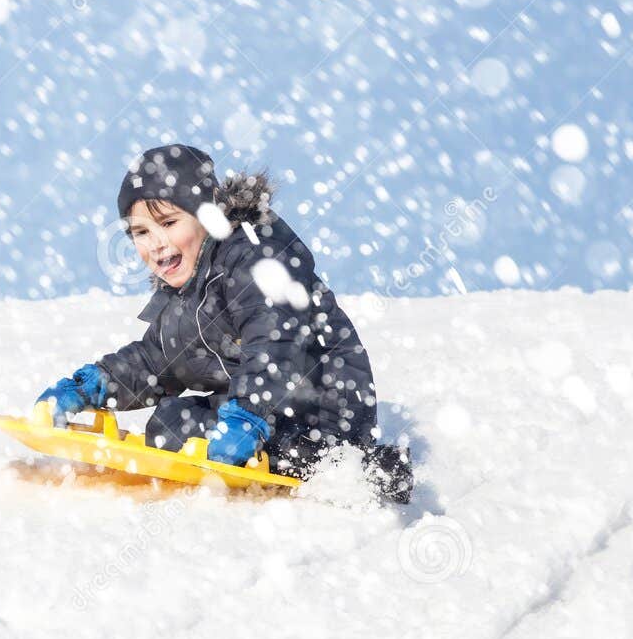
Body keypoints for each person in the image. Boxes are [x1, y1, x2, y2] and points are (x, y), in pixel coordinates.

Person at [36, 143, 412, 504]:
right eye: (141, 232)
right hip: (260, 411)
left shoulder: (255, 257)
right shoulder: (186, 297)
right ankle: (259, 445)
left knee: (275, 439)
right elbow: (157, 361)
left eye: (168, 222)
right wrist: (91, 386)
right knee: (170, 425)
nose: (156, 243)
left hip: (324, 404)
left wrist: (249, 413)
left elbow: (275, 344)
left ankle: (361, 468)